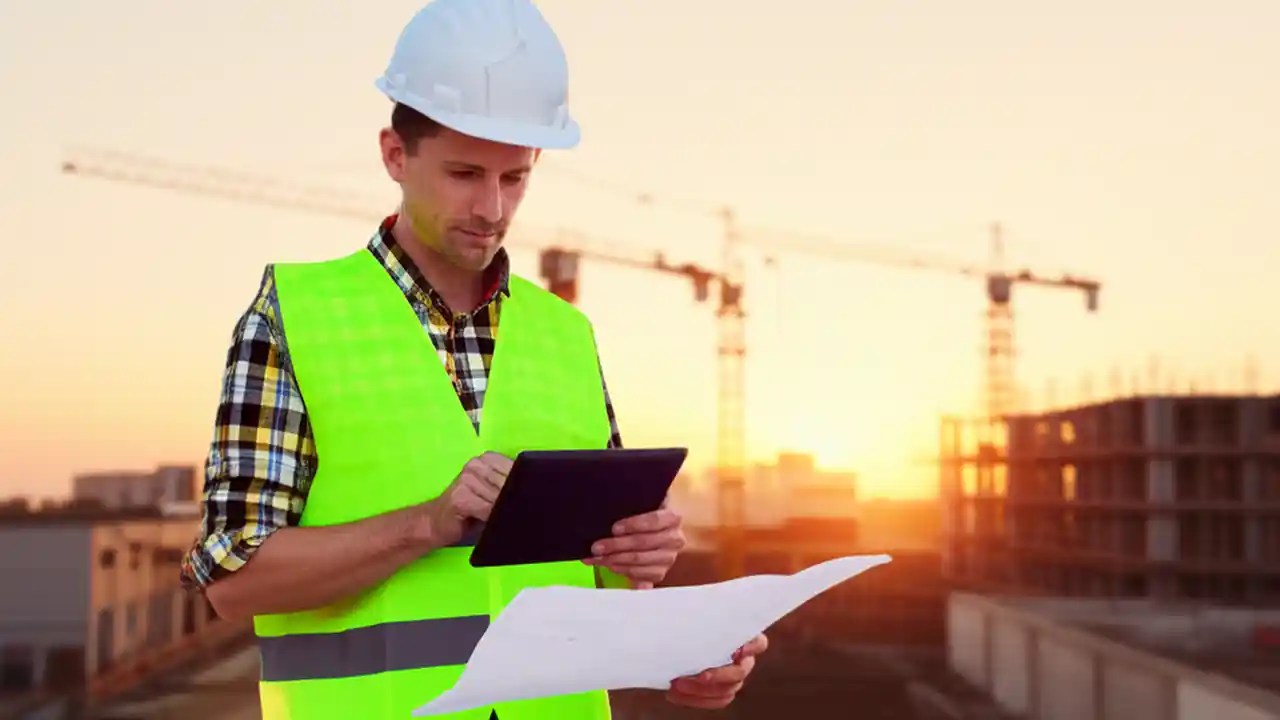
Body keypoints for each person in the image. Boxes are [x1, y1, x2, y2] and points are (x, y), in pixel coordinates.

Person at [178, 0, 768, 717]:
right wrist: (428, 522)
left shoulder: (566, 336)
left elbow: (596, 590)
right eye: (464, 173)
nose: (491, 206)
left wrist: (667, 626)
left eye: (514, 178)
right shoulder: (294, 317)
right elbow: (235, 583)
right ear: (395, 155)